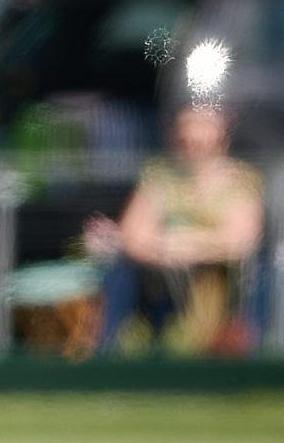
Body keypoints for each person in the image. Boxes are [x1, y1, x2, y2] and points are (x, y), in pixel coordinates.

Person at [84, 104, 265, 354]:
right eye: (185, 142)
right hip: (159, 273)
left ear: (221, 141)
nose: (193, 151)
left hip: (223, 277)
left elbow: (240, 240)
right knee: (118, 271)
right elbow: (133, 235)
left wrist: (186, 245)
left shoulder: (241, 180)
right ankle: (108, 353)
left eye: (202, 144)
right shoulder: (159, 175)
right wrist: (165, 250)